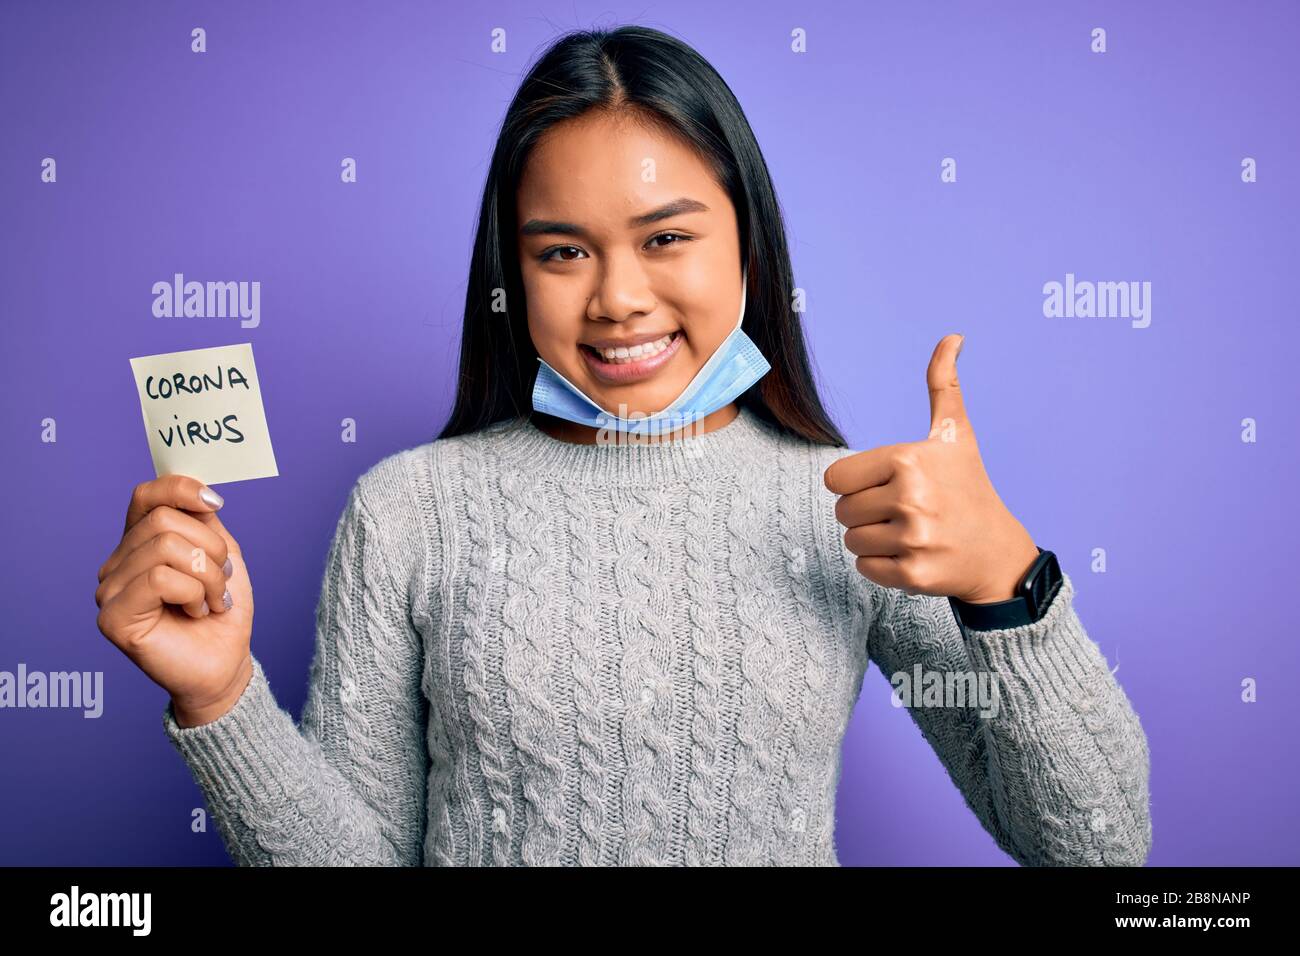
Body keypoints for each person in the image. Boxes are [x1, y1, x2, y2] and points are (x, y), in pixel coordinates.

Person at [94, 25, 1152, 867]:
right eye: (562, 251)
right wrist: (220, 696)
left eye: (665, 236)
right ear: (510, 272)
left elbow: (1096, 845)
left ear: (747, 239)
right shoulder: (407, 509)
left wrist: (1009, 584)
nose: (616, 299)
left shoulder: (849, 510)